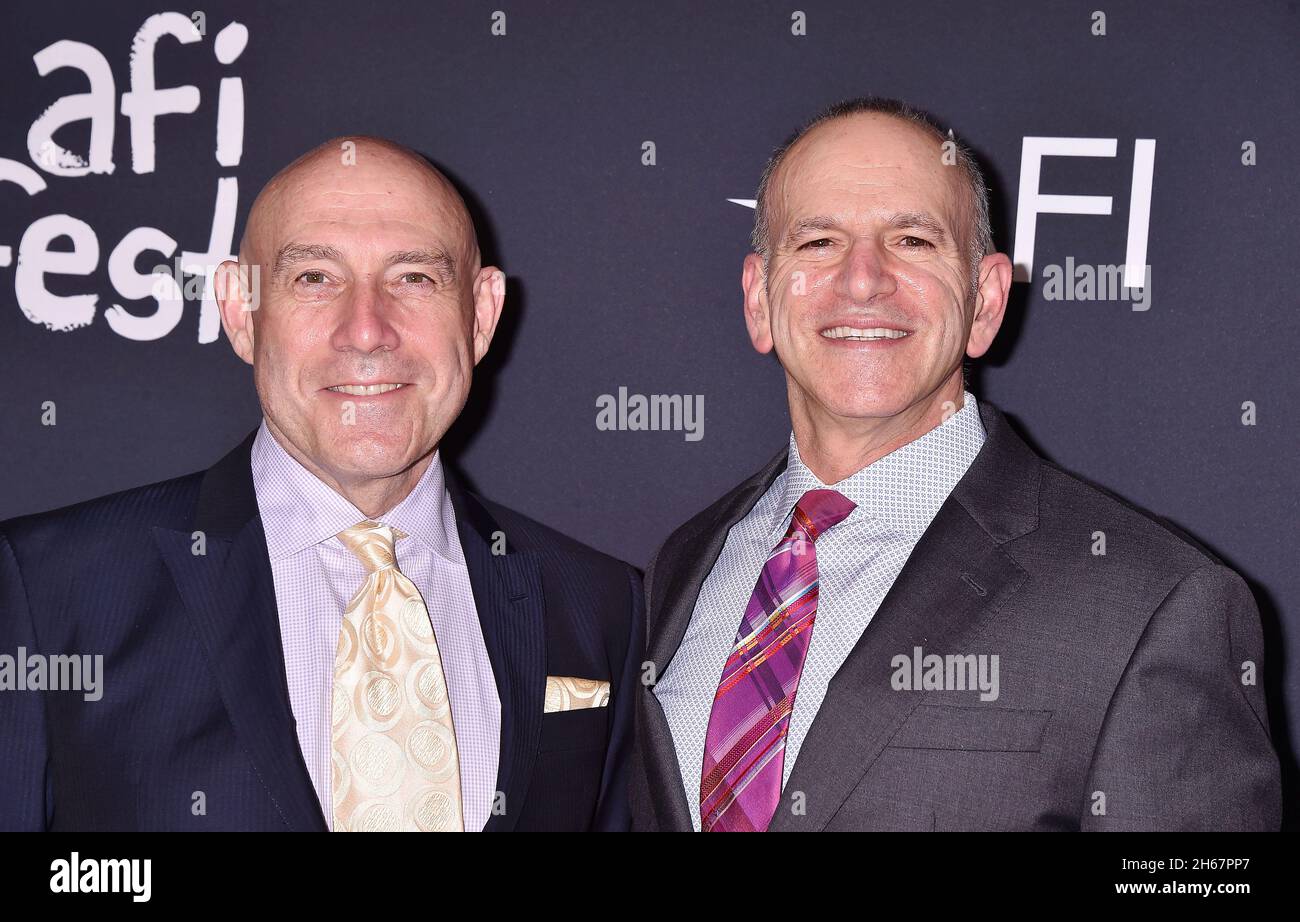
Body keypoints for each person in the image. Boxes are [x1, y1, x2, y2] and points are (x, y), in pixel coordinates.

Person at [630, 97, 1281, 831]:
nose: (864, 279)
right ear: (758, 300)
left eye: (912, 240)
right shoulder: (683, 566)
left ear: (986, 303)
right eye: (817, 243)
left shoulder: (1154, 602)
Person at [0, 136, 642, 832]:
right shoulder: (50, 589)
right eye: (314, 278)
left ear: (482, 316)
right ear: (241, 311)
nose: (366, 331)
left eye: (414, 279)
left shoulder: (597, 605)